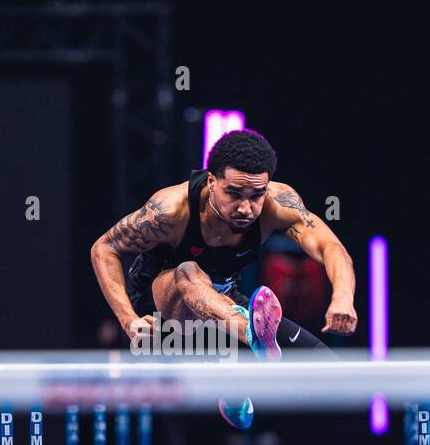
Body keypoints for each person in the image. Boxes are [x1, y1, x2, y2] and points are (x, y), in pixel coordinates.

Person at [90, 129, 357, 428]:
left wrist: (343, 297)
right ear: (211, 181)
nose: (246, 208)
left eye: (256, 195)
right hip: (161, 323)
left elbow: (329, 246)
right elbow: (104, 248)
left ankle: (232, 368)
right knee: (187, 272)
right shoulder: (170, 210)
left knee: (337, 374)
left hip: (222, 312)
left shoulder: (278, 204)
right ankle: (245, 347)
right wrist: (128, 321)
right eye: (234, 194)